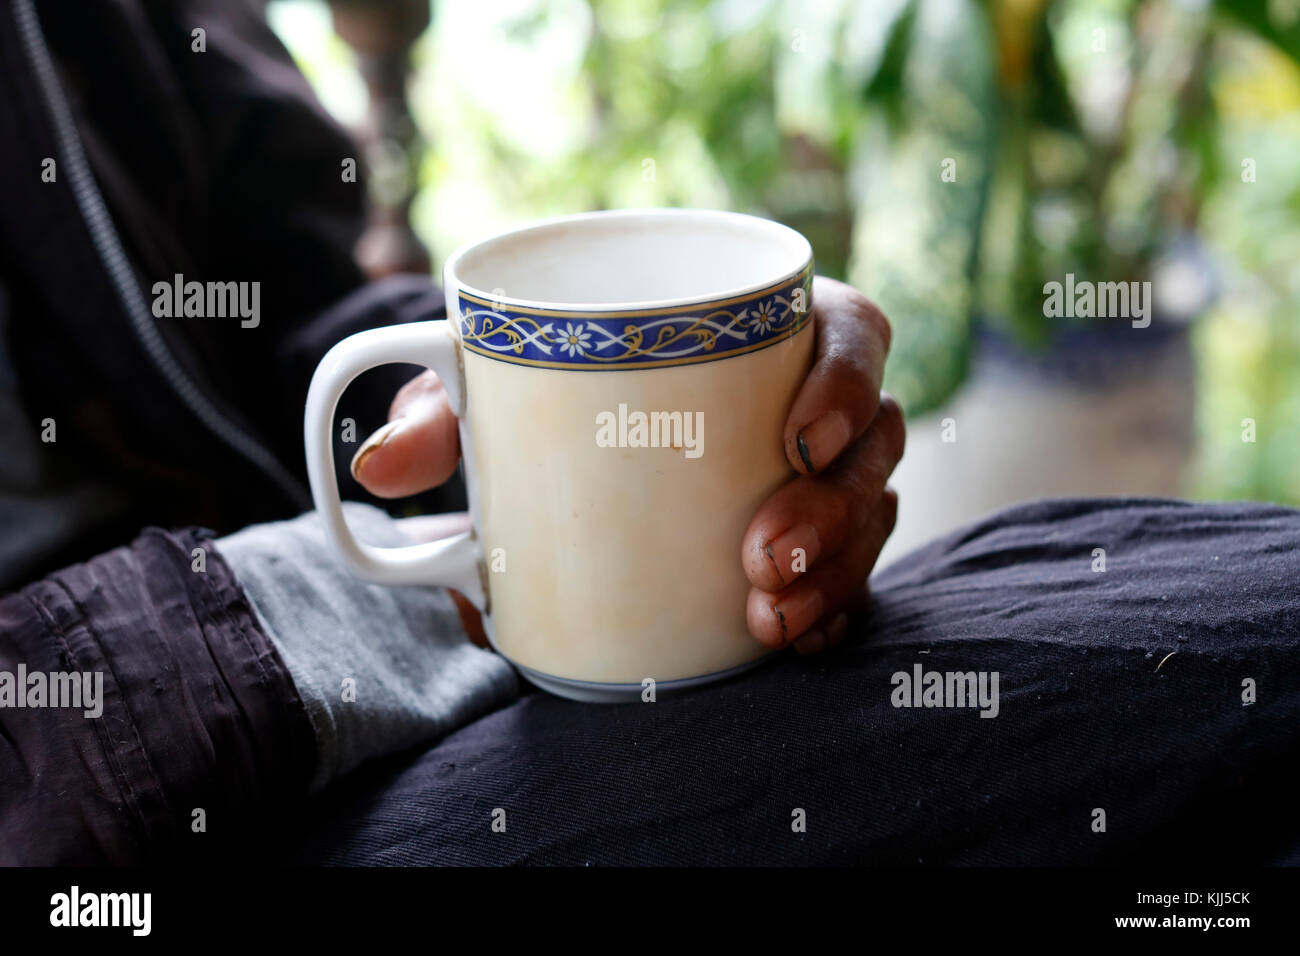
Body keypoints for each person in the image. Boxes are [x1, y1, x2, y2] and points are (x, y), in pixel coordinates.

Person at [0, 0, 901, 863]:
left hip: (341, 663)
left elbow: (290, 297)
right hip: (198, 719)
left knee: (1029, 608)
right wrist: (268, 616)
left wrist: (488, 419)